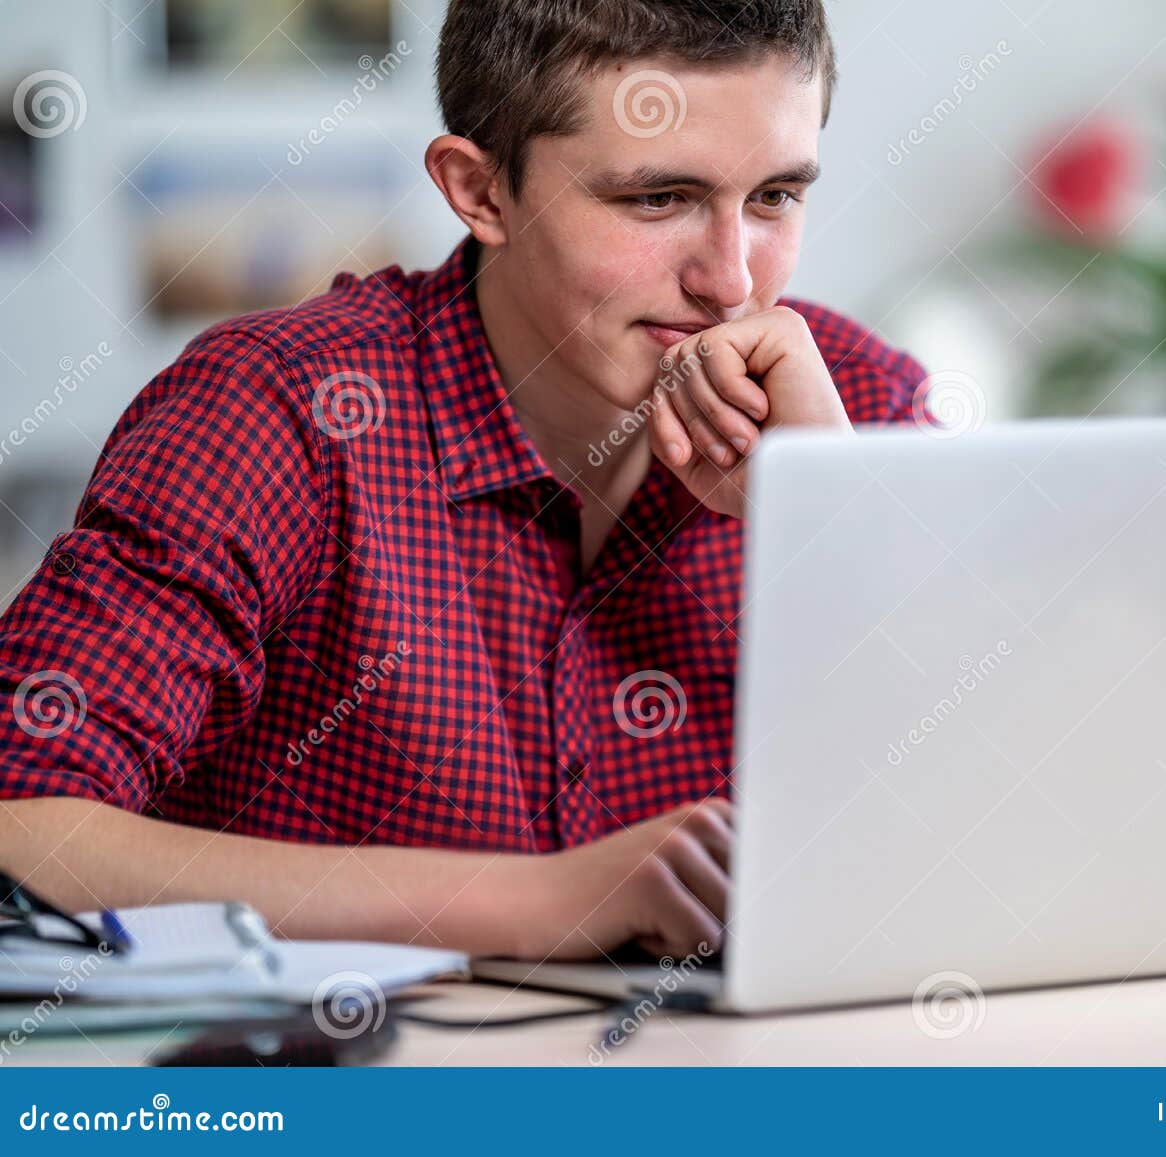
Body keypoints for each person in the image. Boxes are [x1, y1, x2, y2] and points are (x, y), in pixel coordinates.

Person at [0, 0, 928, 962]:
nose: (732, 282)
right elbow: (20, 825)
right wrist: (543, 902)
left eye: (775, 197)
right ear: (479, 191)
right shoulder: (278, 412)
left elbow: (1017, 821)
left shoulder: (858, 401)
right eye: (658, 200)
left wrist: (833, 529)